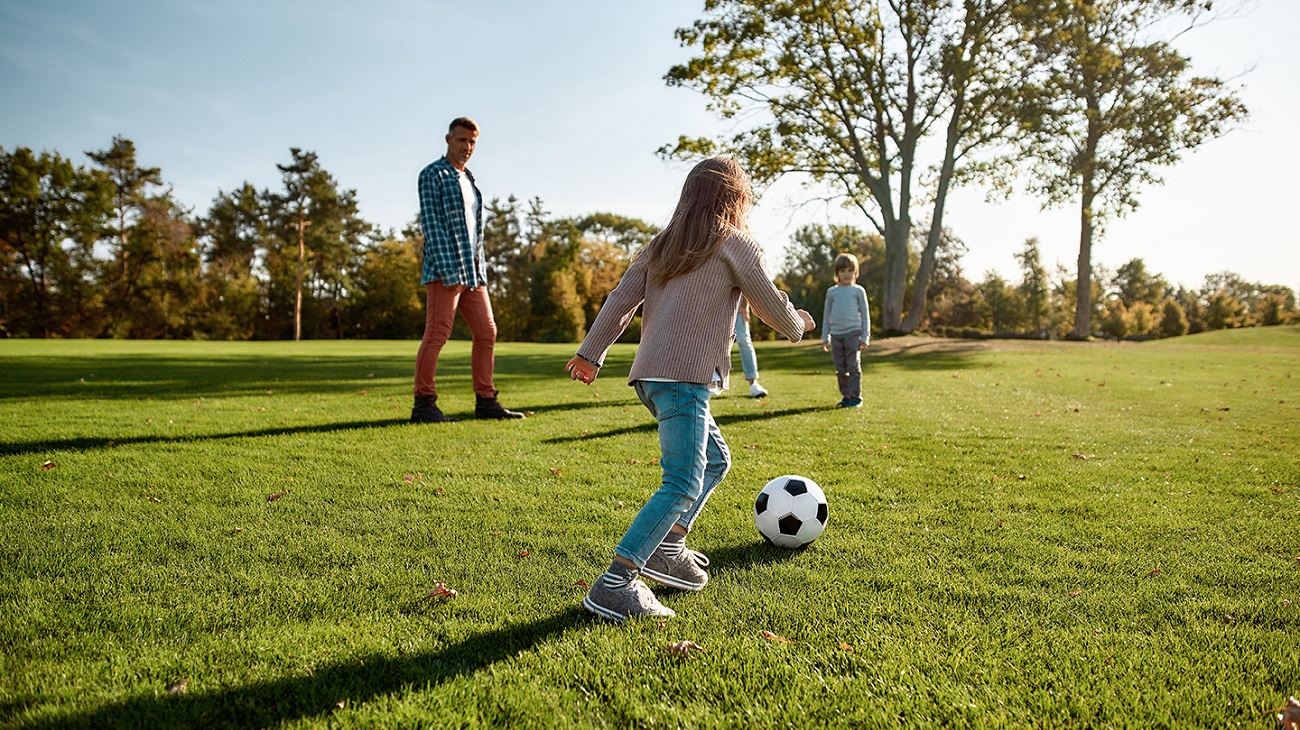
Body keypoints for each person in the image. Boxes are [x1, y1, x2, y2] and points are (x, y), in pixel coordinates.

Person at [565, 157, 815, 622]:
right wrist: (799, 318)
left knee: (715, 461)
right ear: (737, 200)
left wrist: (590, 353)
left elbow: (621, 298)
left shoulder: (662, 244)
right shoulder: (736, 244)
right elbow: (779, 317)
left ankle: (668, 546)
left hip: (652, 377)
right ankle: (616, 583)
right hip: (685, 380)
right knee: (681, 481)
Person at [411, 117, 524, 422]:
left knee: (487, 332)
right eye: (462, 140)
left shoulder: (470, 180)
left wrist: (479, 273)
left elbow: (476, 234)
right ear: (448, 139)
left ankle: (486, 401)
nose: (467, 147)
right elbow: (432, 226)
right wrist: (450, 272)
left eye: (472, 142)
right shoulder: (432, 174)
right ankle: (424, 403)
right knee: (437, 334)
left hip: (474, 273)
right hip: (446, 270)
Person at [821, 253, 871, 408]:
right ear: (837, 274)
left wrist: (865, 336)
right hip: (836, 335)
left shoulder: (858, 291)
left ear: (855, 273)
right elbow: (827, 315)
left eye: (850, 271)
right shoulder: (832, 292)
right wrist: (825, 336)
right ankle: (846, 397)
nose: (846, 274)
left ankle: (856, 398)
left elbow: (865, 315)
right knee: (840, 368)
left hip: (853, 334)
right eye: (843, 271)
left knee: (853, 366)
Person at [733, 297, 768, 398]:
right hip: (716, 305)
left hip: (738, 307)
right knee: (713, 342)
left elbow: (744, 283)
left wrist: (744, 306)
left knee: (744, 341)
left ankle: (753, 384)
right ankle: (712, 383)